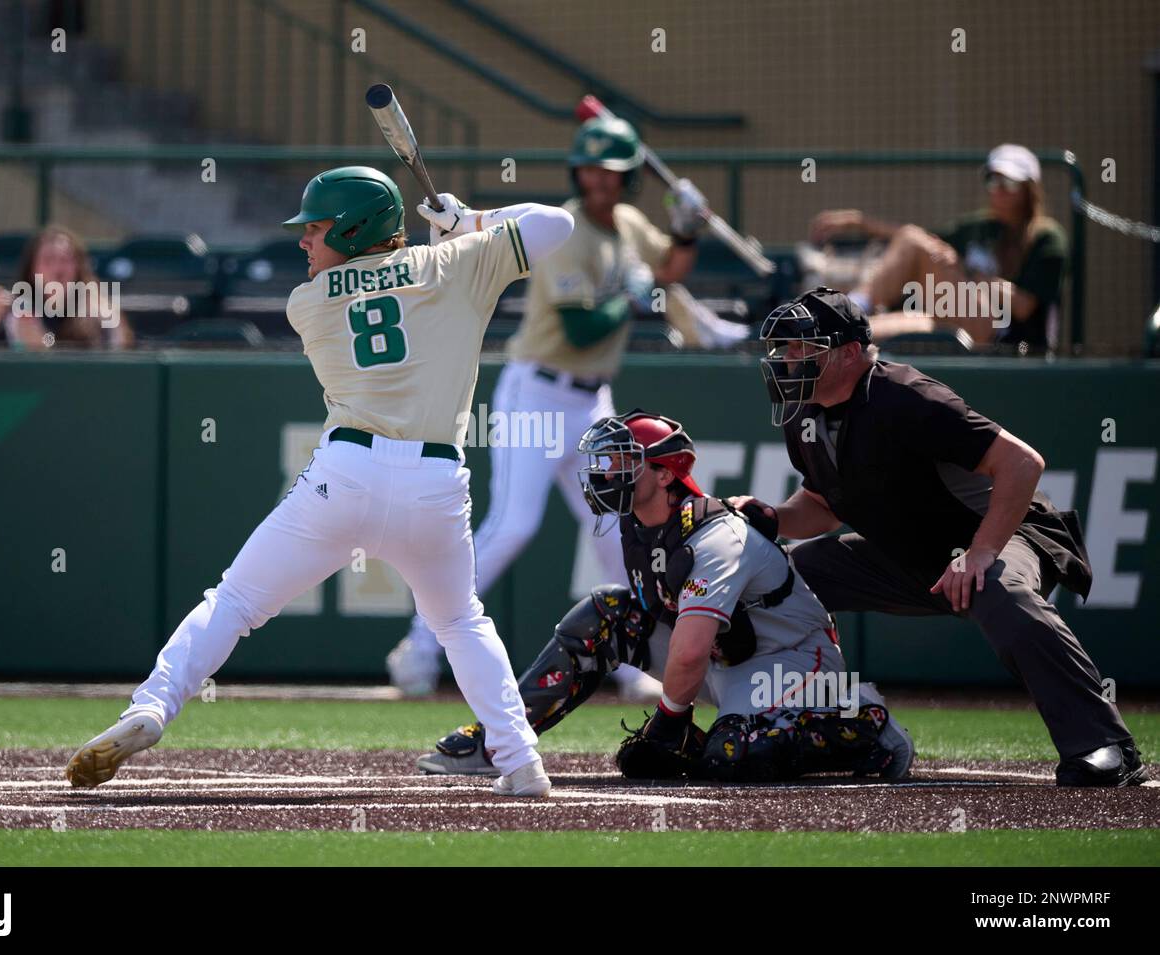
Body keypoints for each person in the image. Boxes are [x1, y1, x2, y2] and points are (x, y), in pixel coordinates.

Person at [65, 166, 577, 798]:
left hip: (346, 475)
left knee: (234, 602)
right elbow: (558, 224)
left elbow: (385, 284)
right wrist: (467, 222)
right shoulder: (458, 263)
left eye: (316, 227)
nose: (304, 241)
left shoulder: (307, 303)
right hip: (436, 482)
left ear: (356, 228)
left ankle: (150, 707)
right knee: (461, 623)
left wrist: (446, 240)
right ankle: (521, 760)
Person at [386, 116, 741, 699]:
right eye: (590, 170)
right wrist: (633, 293)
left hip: (592, 402)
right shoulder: (565, 232)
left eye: (611, 172)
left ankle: (632, 664)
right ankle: (419, 649)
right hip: (538, 393)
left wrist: (685, 230)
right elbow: (580, 328)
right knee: (512, 525)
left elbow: (670, 269)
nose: (599, 181)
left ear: (628, 181)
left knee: (613, 531)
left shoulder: (626, 223)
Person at [743, 286, 1145, 786]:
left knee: (998, 587)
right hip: (913, 557)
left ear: (849, 353)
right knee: (784, 576)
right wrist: (772, 518)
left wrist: (980, 552)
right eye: (784, 347)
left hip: (1003, 535)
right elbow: (823, 508)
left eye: (804, 346)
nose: (788, 359)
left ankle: (1106, 743)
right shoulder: (804, 413)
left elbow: (1022, 463)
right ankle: (804, 721)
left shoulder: (905, 396)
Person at [415, 410, 915, 783]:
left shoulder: (717, 537)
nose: (606, 473)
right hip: (725, 661)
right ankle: (502, 740)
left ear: (662, 473)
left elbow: (692, 646)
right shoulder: (639, 527)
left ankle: (862, 721)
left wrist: (669, 721)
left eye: (623, 462)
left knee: (730, 759)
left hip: (789, 661)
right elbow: (679, 634)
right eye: (607, 462)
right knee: (606, 614)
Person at [809, 144, 1066, 352]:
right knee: (863, 331)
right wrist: (859, 221)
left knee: (913, 239)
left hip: (1006, 336)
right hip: (951, 319)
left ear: (1029, 189)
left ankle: (848, 308)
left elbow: (1023, 307)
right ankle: (840, 323)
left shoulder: (1047, 236)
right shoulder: (979, 227)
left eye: (1008, 183)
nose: (998, 191)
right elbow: (917, 241)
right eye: (992, 181)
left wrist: (970, 275)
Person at [0, 224, 132, 350]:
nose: (58, 269)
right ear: (32, 269)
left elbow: (111, 365)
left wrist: (115, 323)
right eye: (48, 260)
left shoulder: (97, 310)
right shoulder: (14, 312)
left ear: (79, 268)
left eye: (66, 260)